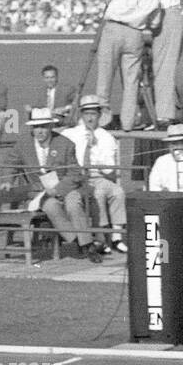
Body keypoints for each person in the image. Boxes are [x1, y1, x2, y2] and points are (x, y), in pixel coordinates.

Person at [2, 108, 104, 263]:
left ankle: (88, 245)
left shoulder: (65, 144)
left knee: (73, 204)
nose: (40, 131)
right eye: (36, 127)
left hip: (67, 188)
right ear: (32, 128)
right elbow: (10, 162)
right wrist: (8, 180)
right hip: (40, 193)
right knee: (50, 206)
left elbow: (75, 173)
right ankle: (78, 241)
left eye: (43, 127)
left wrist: (57, 189)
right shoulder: (23, 144)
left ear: (50, 127)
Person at [95, 0, 160, 131]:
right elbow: (155, 22)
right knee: (131, 82)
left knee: (105, 75)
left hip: (114, 28)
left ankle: (104, 116)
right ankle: (128, 121)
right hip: (135, 33)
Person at [60, 95, 129, 252]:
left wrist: (95, 149)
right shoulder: (72, 133)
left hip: (97, 176)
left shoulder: (106, 137)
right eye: (86, 114)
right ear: (81, 115)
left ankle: (117, 238)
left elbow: (109, 169)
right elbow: (59, 144)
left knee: (117, 191)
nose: (90, 118)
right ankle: (101, 238)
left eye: (93, 114)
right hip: (78, 178)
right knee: (97, 194)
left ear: (99, 115)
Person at [30, 64, 77, 128]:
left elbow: (78, 102)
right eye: (47, 78)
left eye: (52, 77)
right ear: (43, 79)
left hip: (63, 124)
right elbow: (36, 108)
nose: (50, 80)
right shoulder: (40, 93)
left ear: (57, 77)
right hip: (46, 125)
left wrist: (65, 108)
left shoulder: (67, 89)